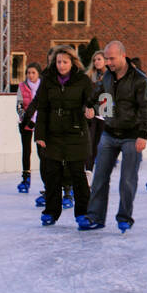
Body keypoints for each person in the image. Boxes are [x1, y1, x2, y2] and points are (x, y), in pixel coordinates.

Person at [82, 40, 147, 231]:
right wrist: (90, 104)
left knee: (127, 180)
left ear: (123, 55)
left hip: (132, 135)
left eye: (112, 58)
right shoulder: (107, 78)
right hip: (110, 133)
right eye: (106, 59)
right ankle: (95, 217)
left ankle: (124, 217)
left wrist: (143, 134)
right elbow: (102, 99)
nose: (109, 62)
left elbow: (146, 108)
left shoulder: (139, 79)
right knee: (99, 178)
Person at [26, 44, 96, 226]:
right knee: (52, 174)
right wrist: (39, 135)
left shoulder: (82, 80)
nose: (61, 65)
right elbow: (42, 108)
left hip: (76, 132)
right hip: (53, 133)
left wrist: (91, 109)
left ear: (73, 62)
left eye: (65, 62)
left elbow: (92, 100)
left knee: (77, 175)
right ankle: (51, 211)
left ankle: (83, 213)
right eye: (58, 62)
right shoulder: (48, 80)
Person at [16, 62, 42, 192]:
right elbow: (19, 106)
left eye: (33, 73)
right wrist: (24, 119)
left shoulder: (43, 86)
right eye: (28, 73)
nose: (30, 75)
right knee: (26, 151)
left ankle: (47, 181)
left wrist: (37, 121)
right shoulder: (22, 86)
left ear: (38, 74)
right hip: (26, 122)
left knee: (42, 152)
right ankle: (26, 178)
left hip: (40, 122)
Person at [85, 50, 108, 174]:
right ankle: (88, 171)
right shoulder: (89, 77)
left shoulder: (110, 76)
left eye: (99, 59)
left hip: (104, 115)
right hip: (90, 115)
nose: (96, 62)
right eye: (94, 60)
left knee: (101, 146)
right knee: (90, 143)